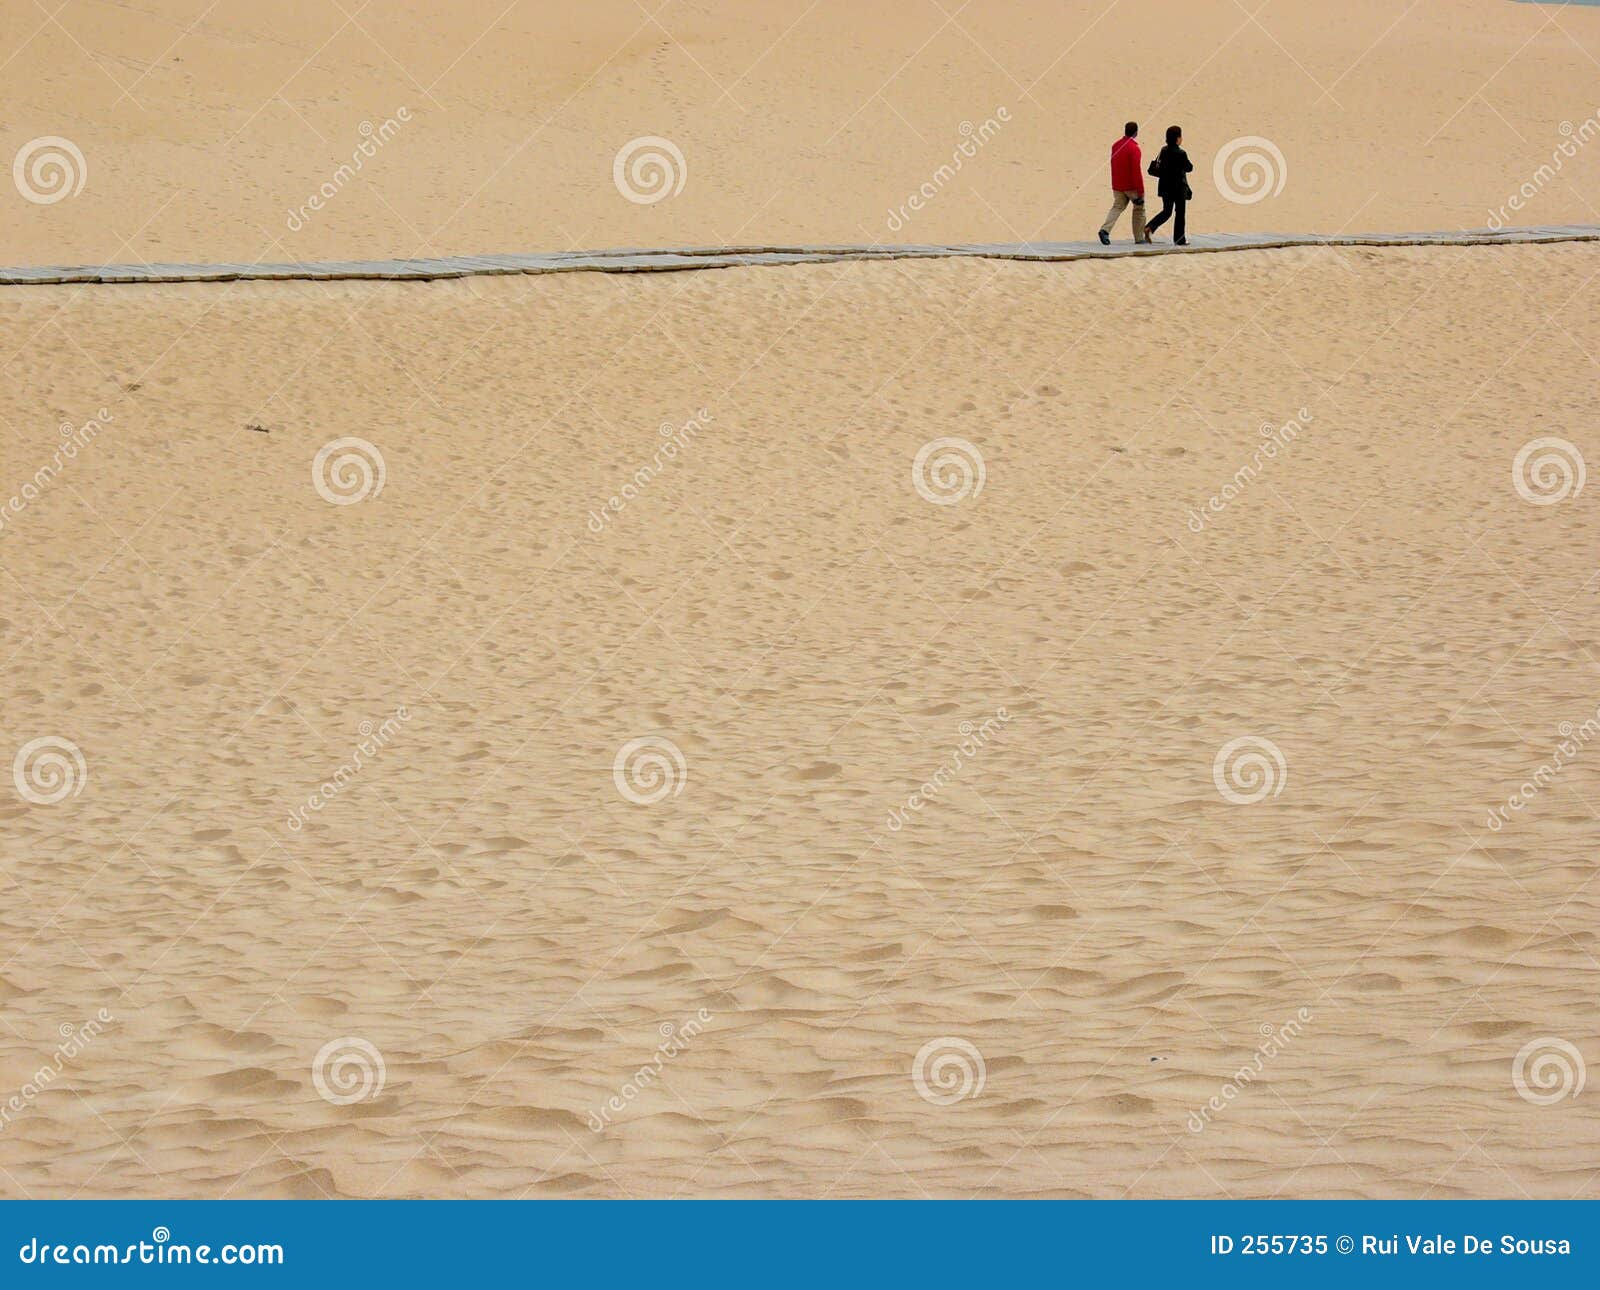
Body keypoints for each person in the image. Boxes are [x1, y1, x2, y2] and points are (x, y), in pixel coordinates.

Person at [1097, 122, 1149, 245]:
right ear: (1136, 132)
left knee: (1117, 207)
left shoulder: (1115, 145)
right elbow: (1136, 171)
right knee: (1139, 209)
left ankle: (1105, 230)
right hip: (1131, 186)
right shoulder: (1134, 149)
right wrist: (1140, 191)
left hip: (1117, 184)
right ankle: (1139, 237)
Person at [1144, 125, 1193, 245]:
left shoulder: (1164, 150)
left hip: (1165, 186)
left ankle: (1150, 226)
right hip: (1178, 188)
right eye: (1180, 136)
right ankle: (1179, 239)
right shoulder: (1181, 153)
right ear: (1177, 138)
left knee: (1167, 211)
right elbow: (1189, 167)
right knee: (1180, 213)